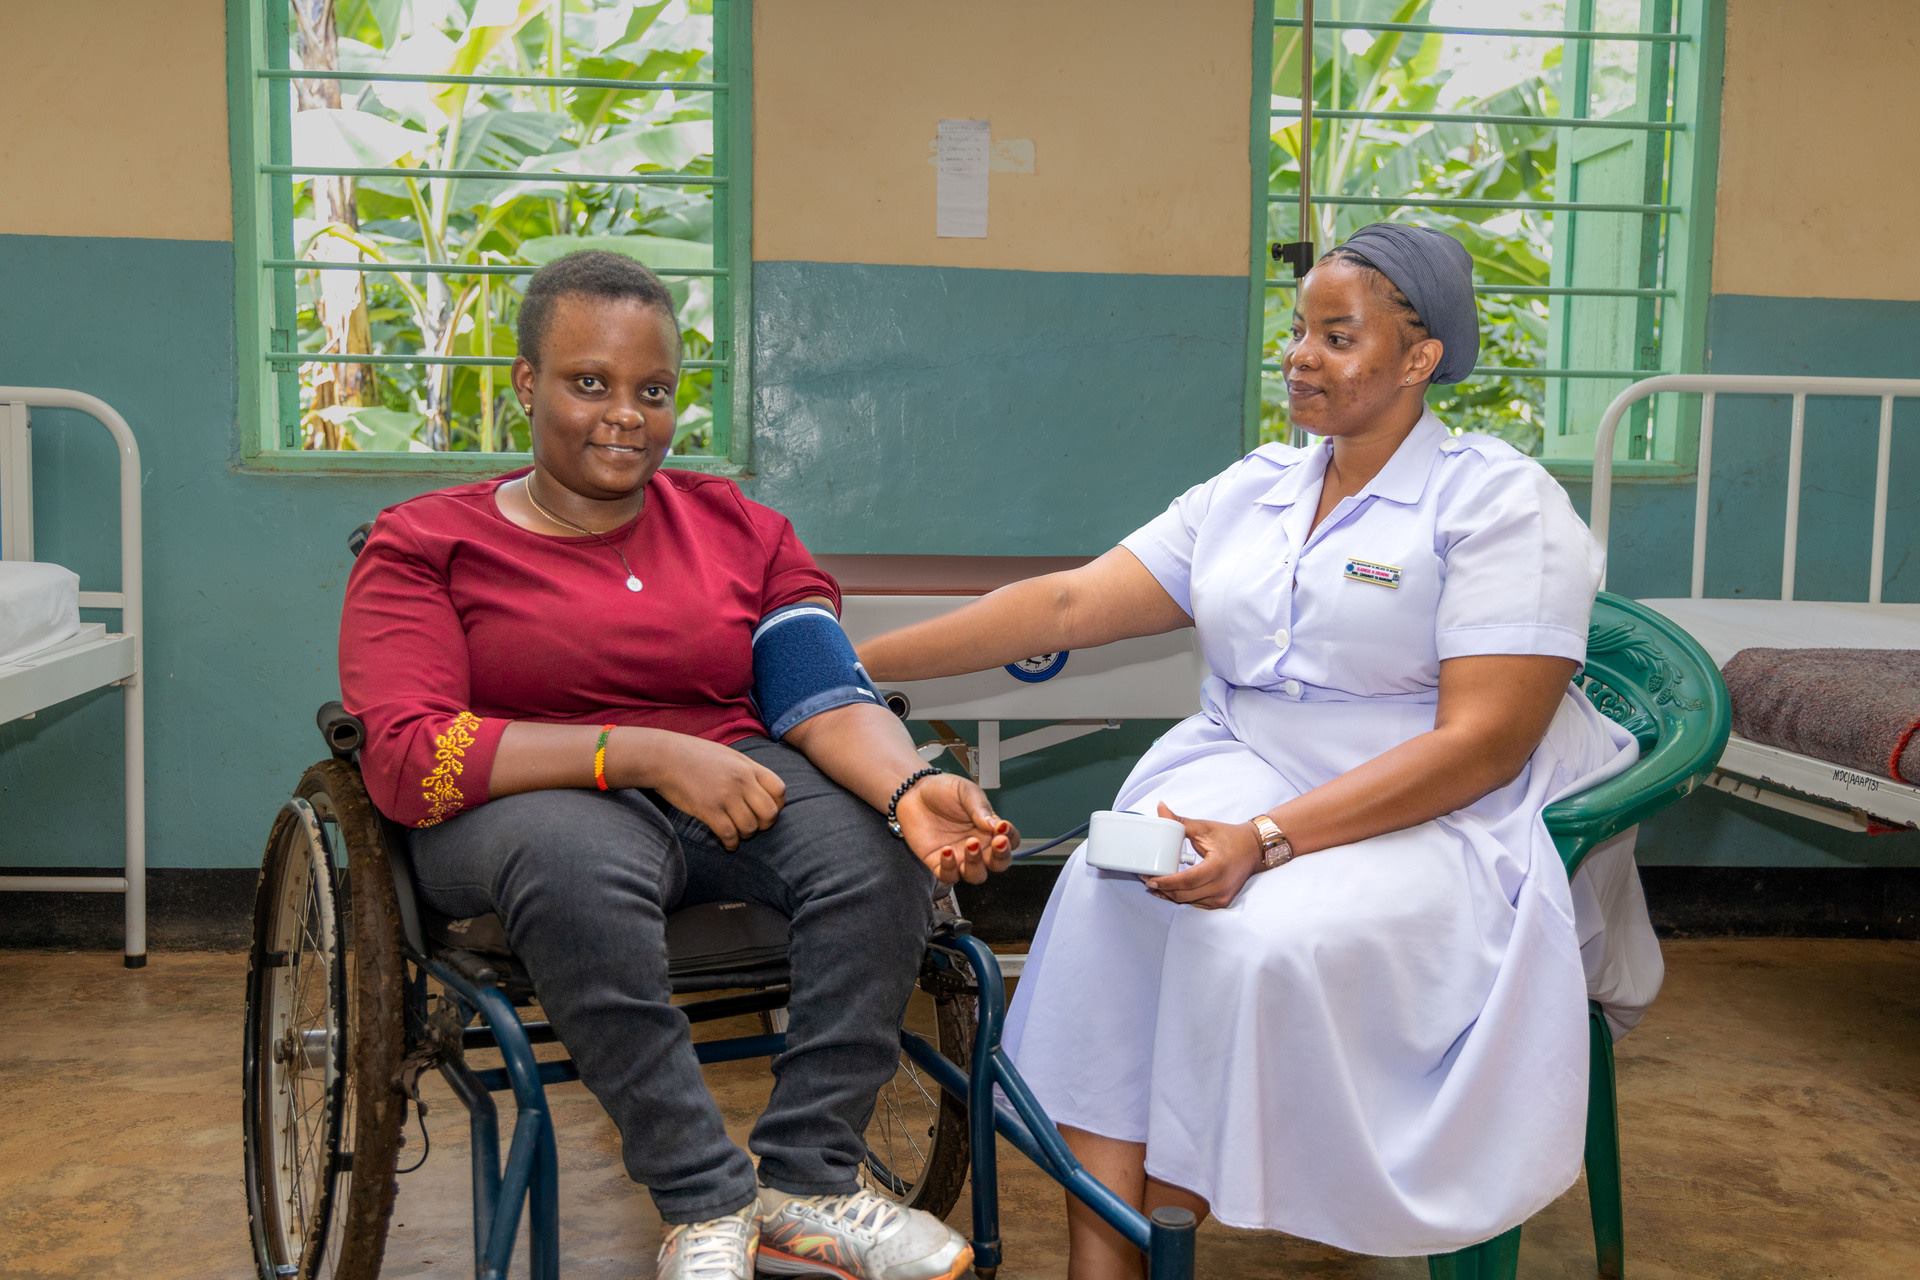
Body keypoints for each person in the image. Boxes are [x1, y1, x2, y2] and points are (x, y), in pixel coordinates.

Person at [858, 224, 1663, 1275]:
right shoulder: (1256, 491)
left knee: (1246, 942)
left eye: (1339, 336)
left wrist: (1267, 839)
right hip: (1252, 772)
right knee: (1111, 896)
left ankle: (1187, 1228)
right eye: (1297, 332)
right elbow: (1065, 601)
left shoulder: (1501, 505)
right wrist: (842, 664)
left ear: (1420, 359)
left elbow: (1483, 746)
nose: (1300, 356)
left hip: (1444, 813)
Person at [339, 250, 1013, 1280]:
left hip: (726, 775)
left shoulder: (739, 527)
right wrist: (642, 752)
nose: (624, 414)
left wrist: (909, 787)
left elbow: (818, 690)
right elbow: (406, 753)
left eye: (651, 390)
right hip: (531, 796)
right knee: (576, 869)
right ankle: (704, 1198)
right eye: (588, 382)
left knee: (877, 856)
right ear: (526, 384)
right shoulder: (426, 543)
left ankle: (808, 1180)